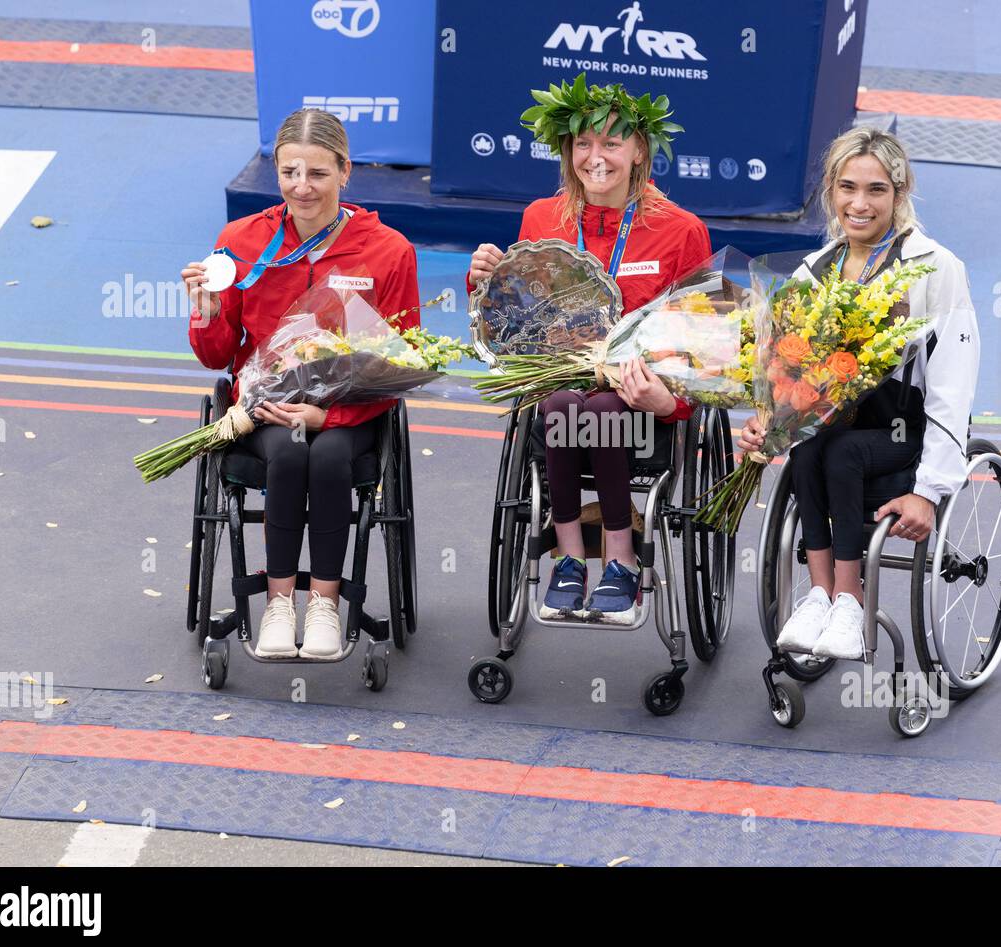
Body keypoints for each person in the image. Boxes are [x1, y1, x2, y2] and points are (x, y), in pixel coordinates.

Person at [468, 76, 710, 624]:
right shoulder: (541, 218)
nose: (595, 157)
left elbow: (704, 347)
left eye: (612, 143)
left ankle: (622, 560)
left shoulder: (681, 231)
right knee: (561, 405)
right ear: (566, 150)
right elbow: (516, 320)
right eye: (583, 143)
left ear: (640, 150)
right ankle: (571, 556)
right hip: (562, 397)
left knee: (598, 408)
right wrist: (485, 282)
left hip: (645, 408)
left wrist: (670, 403)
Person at [182, 108, 420, 659]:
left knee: (330, 454)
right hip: (264, 408)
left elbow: (402, 365)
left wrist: (330, 416)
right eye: (290, 172)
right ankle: (279, 605)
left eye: (316, 173)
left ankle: (324, 606)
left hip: (350, 411)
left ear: (345, 172)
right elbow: (217, 356)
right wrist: (205, 312)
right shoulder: (240, 241)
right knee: (289, 456)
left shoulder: (389, 251)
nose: (302, 187)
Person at [738, 126, 979, 660]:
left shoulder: (935, 268)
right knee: (806, 442)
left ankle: (851, 598)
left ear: (900, 193)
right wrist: (767, 420)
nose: (859, 203)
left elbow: (953, 386)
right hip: (834, 432)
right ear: (830, 190)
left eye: (876, 190)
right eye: (847, 187)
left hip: (903, 431)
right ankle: (821, 594)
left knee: (840, 448)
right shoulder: (815, 269)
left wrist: (930, 490)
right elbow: (787, 370)